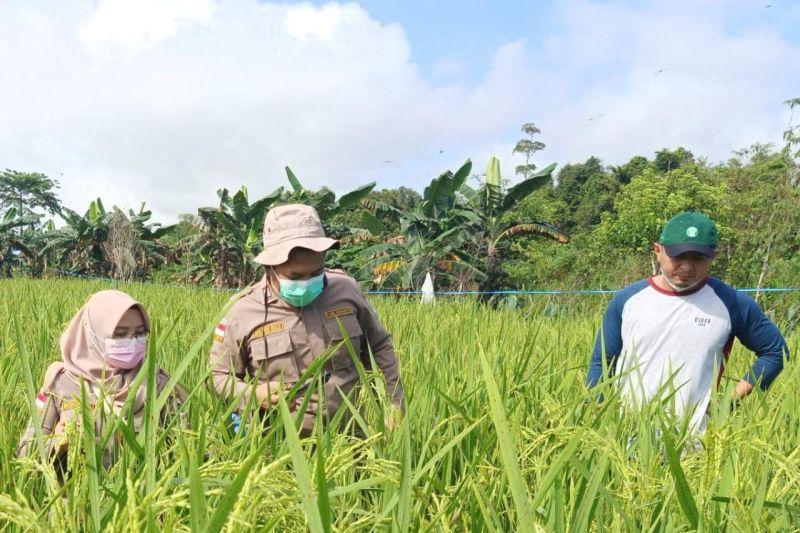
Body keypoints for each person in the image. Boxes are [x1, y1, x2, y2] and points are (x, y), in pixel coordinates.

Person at [209, 204, 405, 435]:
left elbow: (379, 346)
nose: (307, 282)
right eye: (295, 276)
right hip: (279, 448)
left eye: (316, 273)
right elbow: (216, 377)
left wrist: (394, 404)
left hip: (351, 440)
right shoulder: (241, 311)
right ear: (270, 267)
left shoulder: (346, 290)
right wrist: (253, 394)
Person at [587, 211, 788, 431]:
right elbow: (602, 363)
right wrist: (597, 418)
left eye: (698, 258)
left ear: (713, 256)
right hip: (627, 437)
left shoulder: (731, 303)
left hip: (695, 444)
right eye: (678, 256)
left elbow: (775, 352)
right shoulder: (628, 300)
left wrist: (729, 402)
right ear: (658, 251)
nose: (687, 266)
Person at [18, 290, 186, 470]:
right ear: (92, 334)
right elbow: (25, 451)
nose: (132, 341)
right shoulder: (59, 384)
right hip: (72, 495)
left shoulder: (158, 383)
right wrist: (56, 444)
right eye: (120, 335)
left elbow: (187, 447)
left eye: (140, 333)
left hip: (142, 495)